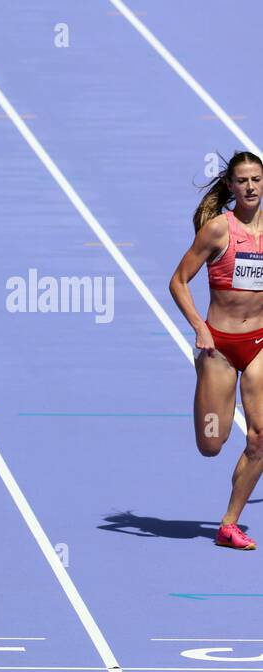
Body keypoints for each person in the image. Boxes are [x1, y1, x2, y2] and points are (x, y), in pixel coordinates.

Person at [170, 151, 263, 549]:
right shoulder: (216, 231)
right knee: (211, 444)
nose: (250, 187)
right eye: (242, 181)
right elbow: (178, 281)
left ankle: (229, 523)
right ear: (230, 186)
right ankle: (203, 374)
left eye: (256, 180)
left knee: (260, 437)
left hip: (258, 344)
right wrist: (199, 329)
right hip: (219, 347)